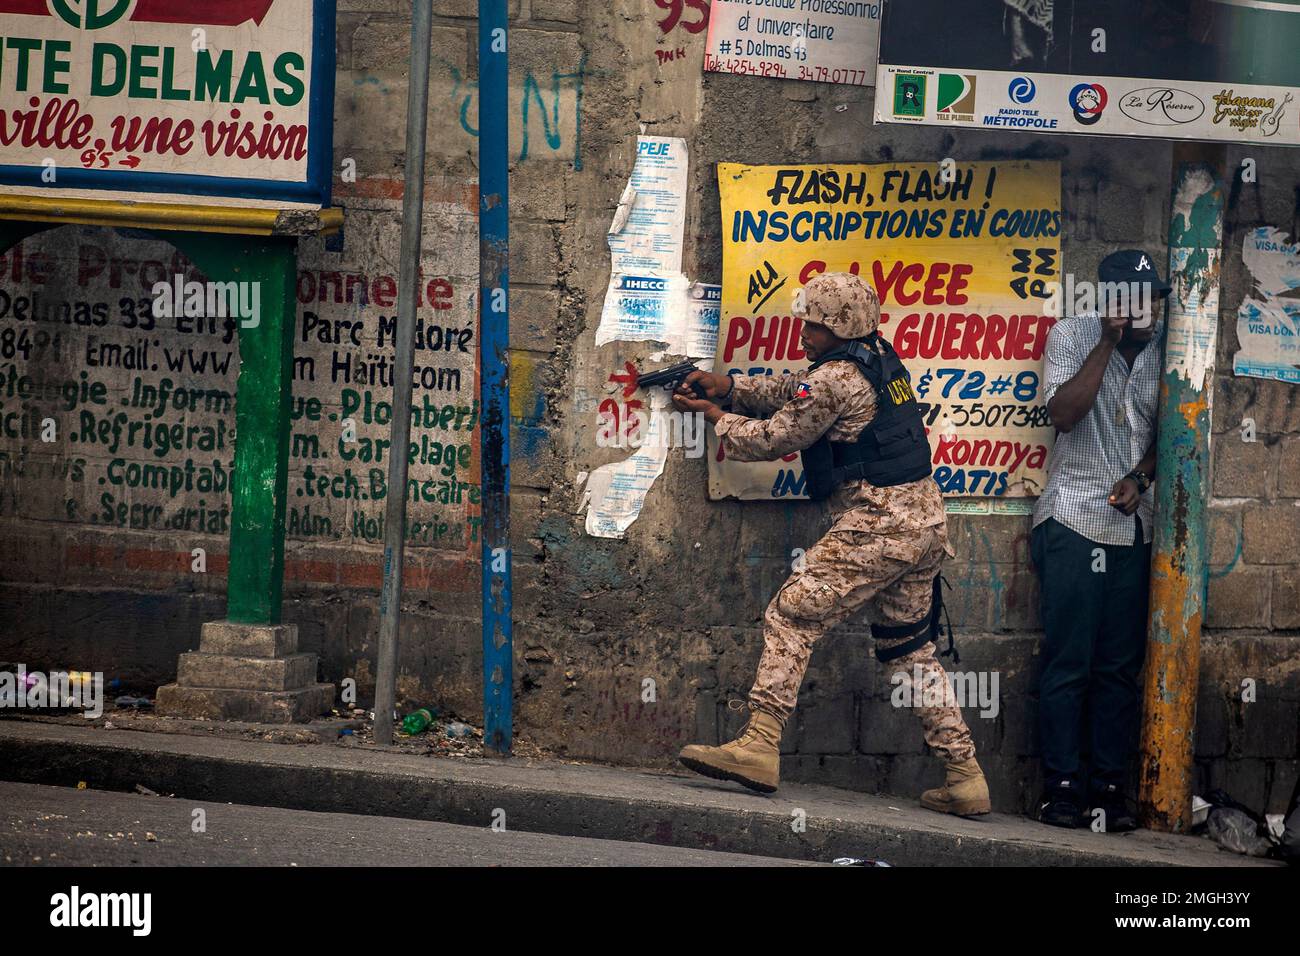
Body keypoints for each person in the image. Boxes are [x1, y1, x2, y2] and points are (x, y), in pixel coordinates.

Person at [671, 272, 991, 817]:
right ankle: (965, 776)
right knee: (909, 650)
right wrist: (729, 386)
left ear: (839, 328)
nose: (804, 333)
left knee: (793, 613)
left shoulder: (835, 377)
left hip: (879, 525)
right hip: (924, 525)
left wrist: (718, 419)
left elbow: (777, 436)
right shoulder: (877, 357)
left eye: (814, 327)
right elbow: (796, 391)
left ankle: (758, 745)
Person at [1031, 249, 1170, 831]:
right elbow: (1063, 414)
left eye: (1152, 301)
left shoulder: (1170, 353)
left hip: (1134, 529)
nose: (1145, 314)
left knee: (1118, 667)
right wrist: (1107, 343)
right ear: (1110, 302)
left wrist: (1140, 479)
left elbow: (1178, 431)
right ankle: (1061, 788)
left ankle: (1110, 791)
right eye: (1132, 302)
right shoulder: (1072, 335)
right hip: (1072, 521)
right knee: (1069, 663)